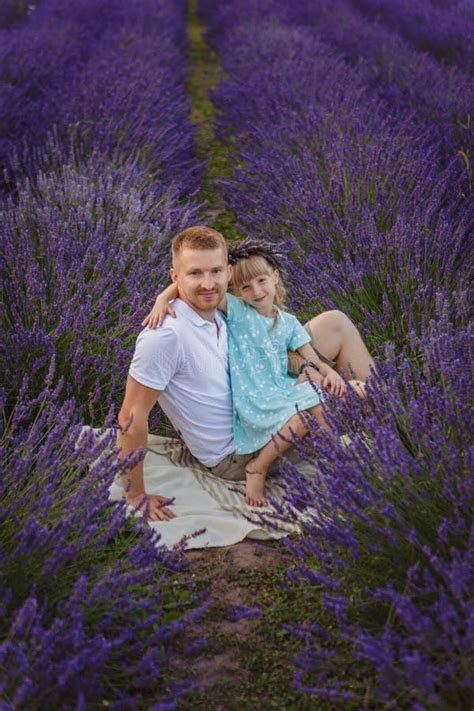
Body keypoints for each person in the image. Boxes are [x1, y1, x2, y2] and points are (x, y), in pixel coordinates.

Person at [118, 226, 375, 521]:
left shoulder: (223, 310)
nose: (207, 284)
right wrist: (134, 495)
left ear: (228, 274)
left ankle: (388, 421)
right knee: (355, 393)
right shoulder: (166, 337)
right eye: (194, 274)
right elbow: (131, 416)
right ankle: (387, 430)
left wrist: (309, 368)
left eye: (215, 272)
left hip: (264, 399)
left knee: (334, 323)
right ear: (175, 277)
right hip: (240, 451)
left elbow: (269, 348)